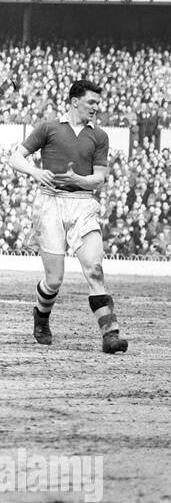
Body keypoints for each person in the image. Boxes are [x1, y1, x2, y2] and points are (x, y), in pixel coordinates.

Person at [7, 79, 128, 352]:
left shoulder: (99, 136)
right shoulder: (49, 128)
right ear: (75, 101)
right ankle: (41, 317)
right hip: (50, 203)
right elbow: (15, 158)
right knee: (54, 280)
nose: (96, 107)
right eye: (91, 102)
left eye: (98, 103)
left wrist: (78, 178)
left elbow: (98, 179)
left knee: (95, 270)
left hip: (83, 203)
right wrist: (36, 172)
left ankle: (110, 335)